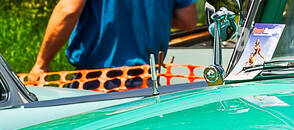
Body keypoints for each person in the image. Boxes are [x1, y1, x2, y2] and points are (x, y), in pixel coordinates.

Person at [27, 0, 199, 88]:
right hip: (146, 82)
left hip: (96, 83)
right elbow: (188, 20)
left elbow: (69, 10)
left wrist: (42, 64)